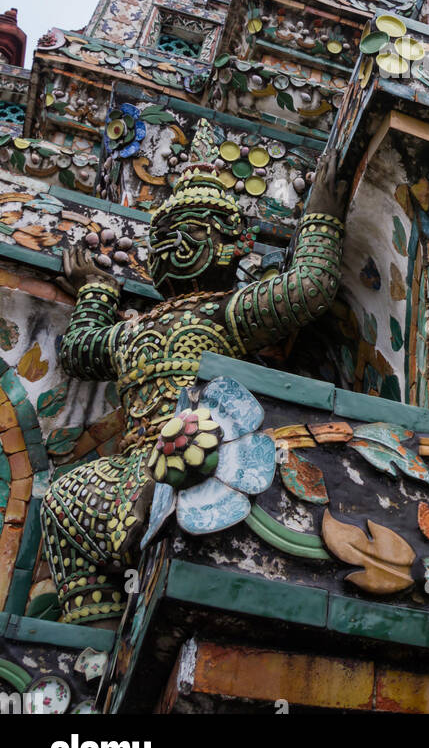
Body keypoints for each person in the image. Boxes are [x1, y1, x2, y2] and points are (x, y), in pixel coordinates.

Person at [41, 128, 348, 625]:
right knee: (61, 499)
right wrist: (97, 291)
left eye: (192, 232)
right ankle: (94, 646)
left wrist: (321, 215)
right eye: (163, 238)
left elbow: (308, 286)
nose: (174, 247)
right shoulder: (132, 331)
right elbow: (78, 351)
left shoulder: (227, 311)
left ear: (232, 246)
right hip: (134, 465)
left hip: (202, 452)